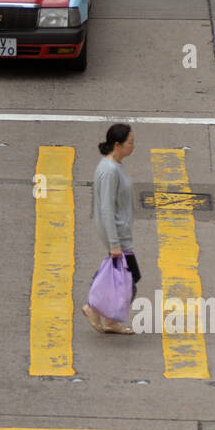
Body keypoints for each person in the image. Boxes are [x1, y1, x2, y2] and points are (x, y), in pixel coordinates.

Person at [82, 123, 140, 335]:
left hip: (119, 230)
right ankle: (94, 306)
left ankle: (108, 319)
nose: (133, 146)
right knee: (129, 276)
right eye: (130, 142)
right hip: (116, 232)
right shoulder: (109, 170)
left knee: (119, 274)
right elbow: (106, 208)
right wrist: (114, 243)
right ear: (117, 144)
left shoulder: (115, 165)